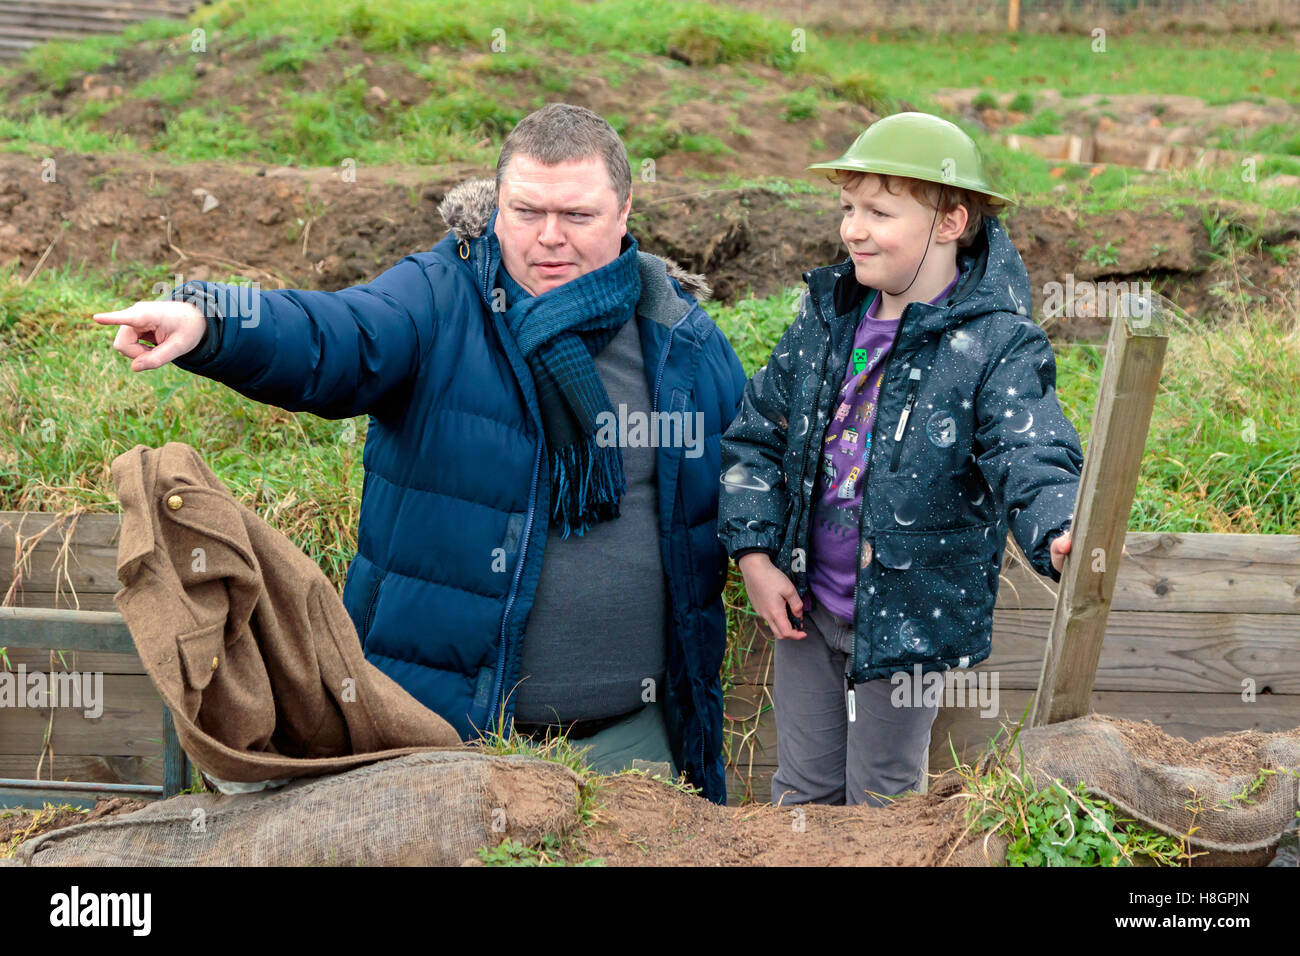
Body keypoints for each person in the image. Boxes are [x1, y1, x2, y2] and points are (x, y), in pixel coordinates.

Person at [95, 103, 747, 804]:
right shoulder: (439, 297)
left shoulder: (682, 340)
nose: (549, 239)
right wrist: (213, 320)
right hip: (441, 740)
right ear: (496, 207)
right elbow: (337, 333)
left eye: (577, 216)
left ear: (623, 211)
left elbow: (748, 468)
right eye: (526, 212)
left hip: (634, 744)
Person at [718, 112, 1084, 807]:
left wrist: (1058, 526)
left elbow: (1030, 447)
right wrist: (755, 558)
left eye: (879, 212)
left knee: (884, 800)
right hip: (804, 604)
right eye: (848, 207)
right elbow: (756, 436)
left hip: (907, 619)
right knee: (802, 789)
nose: (853, 228)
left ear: (950, 220)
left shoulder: (995, 345)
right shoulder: (827, 321)